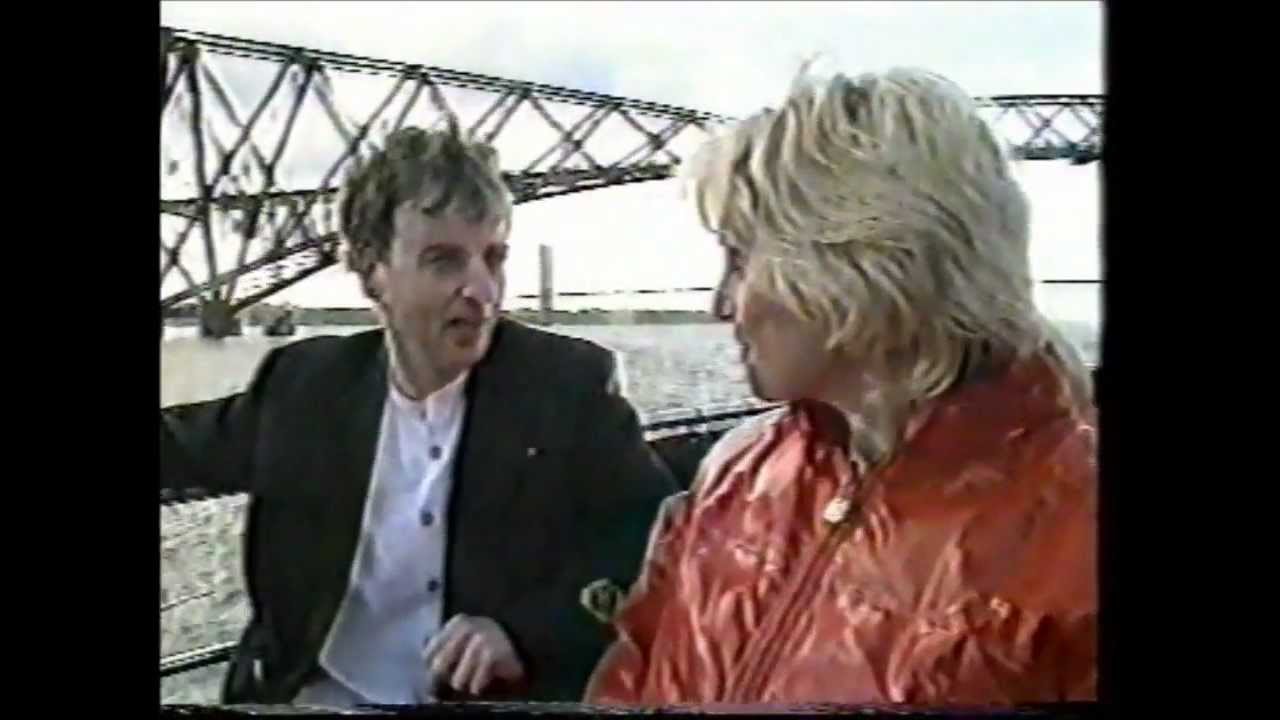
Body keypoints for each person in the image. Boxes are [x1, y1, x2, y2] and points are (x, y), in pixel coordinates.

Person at [584, 68, 1097, 706]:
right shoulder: (735, 470)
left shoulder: (1077, 539)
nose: (722, 305)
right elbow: (635, 673)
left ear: (859, 265)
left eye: (740, 260)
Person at [160, 121, 678, 706]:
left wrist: (524, 634)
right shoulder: (304, 385)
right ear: (371, 268)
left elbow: (648, 536)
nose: (482, 290)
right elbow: (179, 447)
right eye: (444, 261)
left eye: (493, 258)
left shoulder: (567, 385)